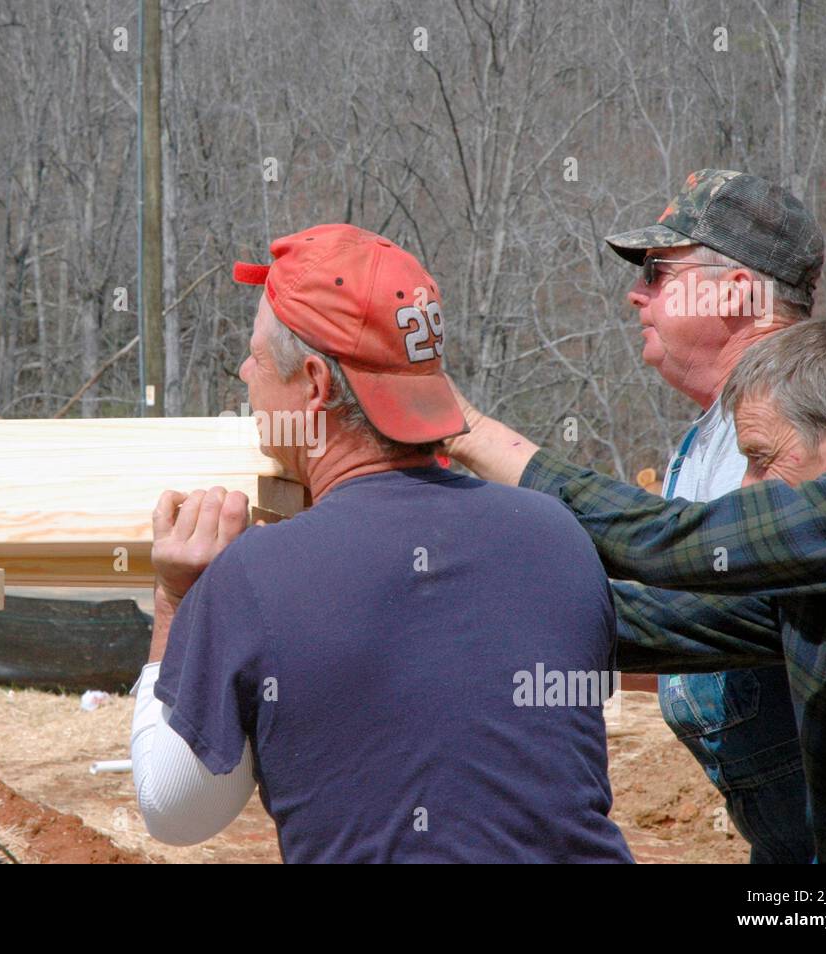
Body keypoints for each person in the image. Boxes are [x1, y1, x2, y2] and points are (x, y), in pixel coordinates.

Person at [129, 223, 633, 862]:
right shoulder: (558, 535)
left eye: (256, 355)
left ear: (313, 384)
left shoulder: (255, 575)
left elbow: (175, 808)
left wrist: (178, 600)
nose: (243, 372)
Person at [445, 318, 826, 863]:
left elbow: (677, 542)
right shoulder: (819, 579)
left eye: (761, 459)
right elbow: (663, 622)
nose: (747, 486)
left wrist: (473, 434)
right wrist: (459, 593)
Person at [599, 169, 824, 863]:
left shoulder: (805, 427)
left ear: (734, 291)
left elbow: (736, 612)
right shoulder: (709, 438)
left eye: (660, 273)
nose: (637, 292)